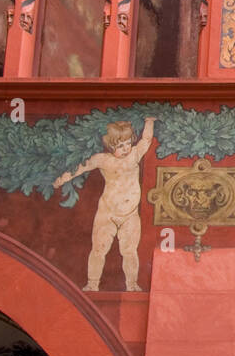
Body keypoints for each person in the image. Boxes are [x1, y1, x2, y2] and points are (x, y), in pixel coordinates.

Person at [54, 117, 157, 292]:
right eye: (119, 146)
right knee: (98, 249)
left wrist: (149, 122)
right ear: (110, 147)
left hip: (130, 214)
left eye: (127, 143)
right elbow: (82, 166)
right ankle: (93, 283)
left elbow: (146, 139)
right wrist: (64, 178)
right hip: (107, 213)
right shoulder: (102, 159)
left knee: (130, 251)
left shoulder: (134, 154)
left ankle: (131, 285)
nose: (125, 149)